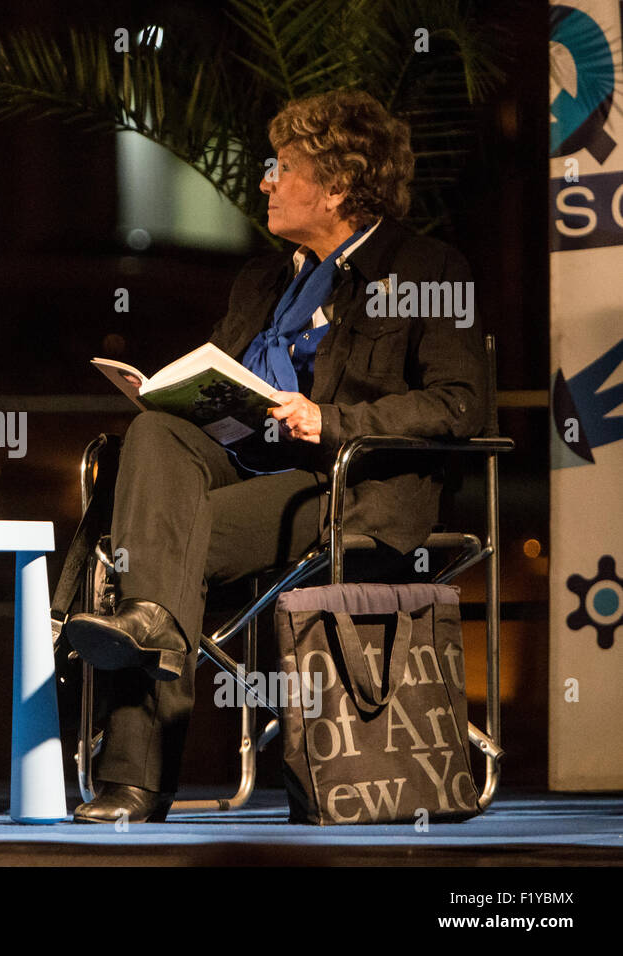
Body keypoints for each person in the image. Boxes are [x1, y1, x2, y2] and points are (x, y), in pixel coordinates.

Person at [65, 90, 487, 823]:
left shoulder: (423, 268)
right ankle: (149, 623)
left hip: (343, 489)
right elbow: (223, 377)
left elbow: (457, 404)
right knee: (156, 440)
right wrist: (171, 397)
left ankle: (135, 779)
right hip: (245, 465)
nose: (265, 181)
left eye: (281, 168)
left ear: (337, 185)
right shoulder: (264, 278)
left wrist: (332, 419)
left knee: (158, 556)